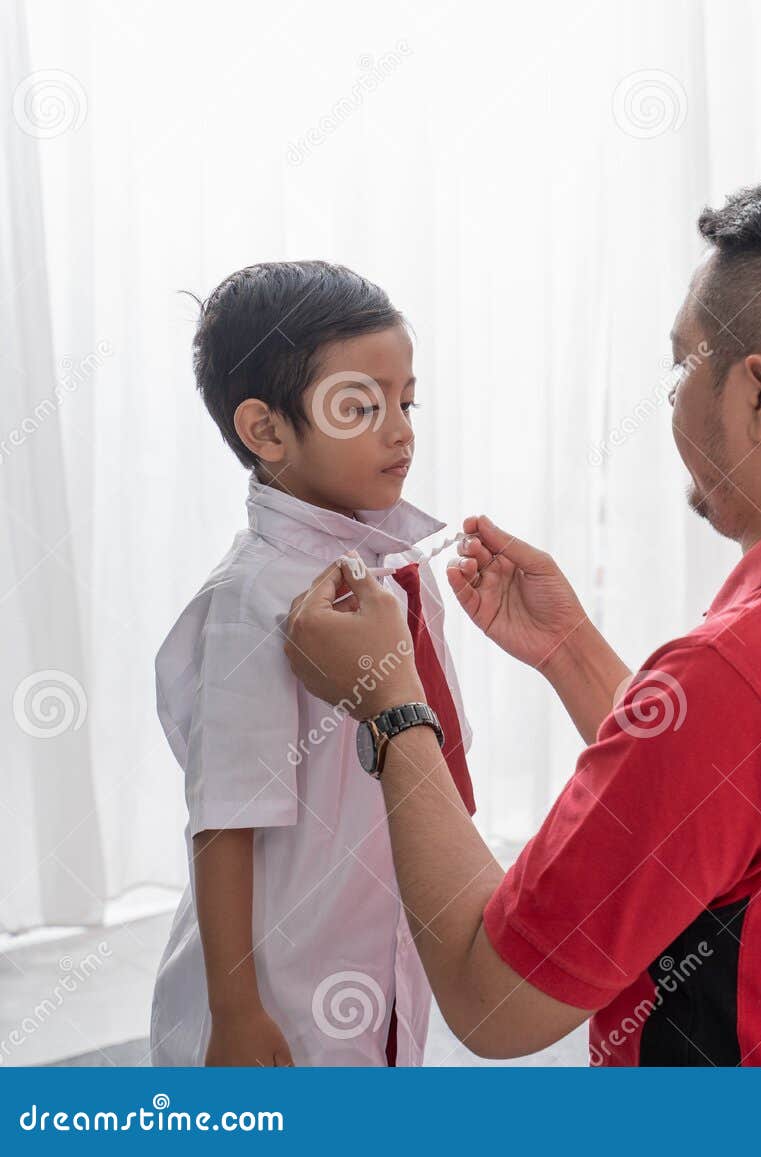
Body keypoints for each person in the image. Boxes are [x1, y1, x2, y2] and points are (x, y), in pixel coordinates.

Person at [282, 163, 761, 1065]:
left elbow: (490, 998)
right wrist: (570, 651)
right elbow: (733, 821)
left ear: (757, 395)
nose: (673, 398)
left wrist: (394, 706)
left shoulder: (732, 679)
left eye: (682, 368)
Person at [150, 261, 474, 1066]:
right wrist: (235, 1011)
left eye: (407, 401)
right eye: (362, 406)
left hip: (377, 948)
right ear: (266, 431)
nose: (401, 430)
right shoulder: (256, 601)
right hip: (282, 992)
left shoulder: (392, 565)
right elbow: (225, 817)